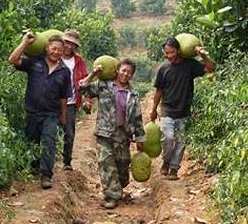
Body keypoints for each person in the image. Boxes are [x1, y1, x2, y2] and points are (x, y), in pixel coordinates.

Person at [79, 58, 146, 209]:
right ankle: (111, 196)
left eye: (129, 72)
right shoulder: (104, 86)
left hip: (124, 136)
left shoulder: (133, 94)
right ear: (117, 71)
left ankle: (118, 188)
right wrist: (94, 73)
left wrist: (140, 137)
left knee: (122, 167)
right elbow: (83, 86)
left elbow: (137, 118)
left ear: (132, 75)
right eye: (123, 70)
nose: (126, 74)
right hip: (105, 133)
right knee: (106, 163)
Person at [8, 32, 71, 189]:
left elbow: (64, 97)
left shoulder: (64, 71)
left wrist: (63, 117)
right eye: (53, 48)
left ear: (63, 52)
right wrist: (25, 43)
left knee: (49, 142)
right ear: (47, 48)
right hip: (32, 111)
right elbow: (13, 60)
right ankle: (34, 168)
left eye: (59, 50)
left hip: (51, 114)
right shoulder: (34, 63)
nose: (56, 52)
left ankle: (46, 175)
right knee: (32, 141)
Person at [150, 37, 216, 180]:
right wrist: (154, 109)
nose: (169, 56)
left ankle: (174, 169)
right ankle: (166, 162)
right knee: (168, 138)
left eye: (172, 52)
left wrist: (203, 55)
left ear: (179, 50)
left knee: (181, 143)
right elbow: (159, 91)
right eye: (166, 53)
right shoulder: (163, 69)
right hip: (167, 110)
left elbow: (211, 68)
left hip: (184, 111)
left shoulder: (190, 65)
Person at [60, 29, 90, 171]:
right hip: (52, 102)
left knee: (69, 133)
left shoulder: (79, 61)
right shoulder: (54, 56)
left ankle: (66, 162)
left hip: (71, 102)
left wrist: (87, 99)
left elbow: (85, 80)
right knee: (50, 132)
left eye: (73, 44)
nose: (69, 46)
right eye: (67, 42)